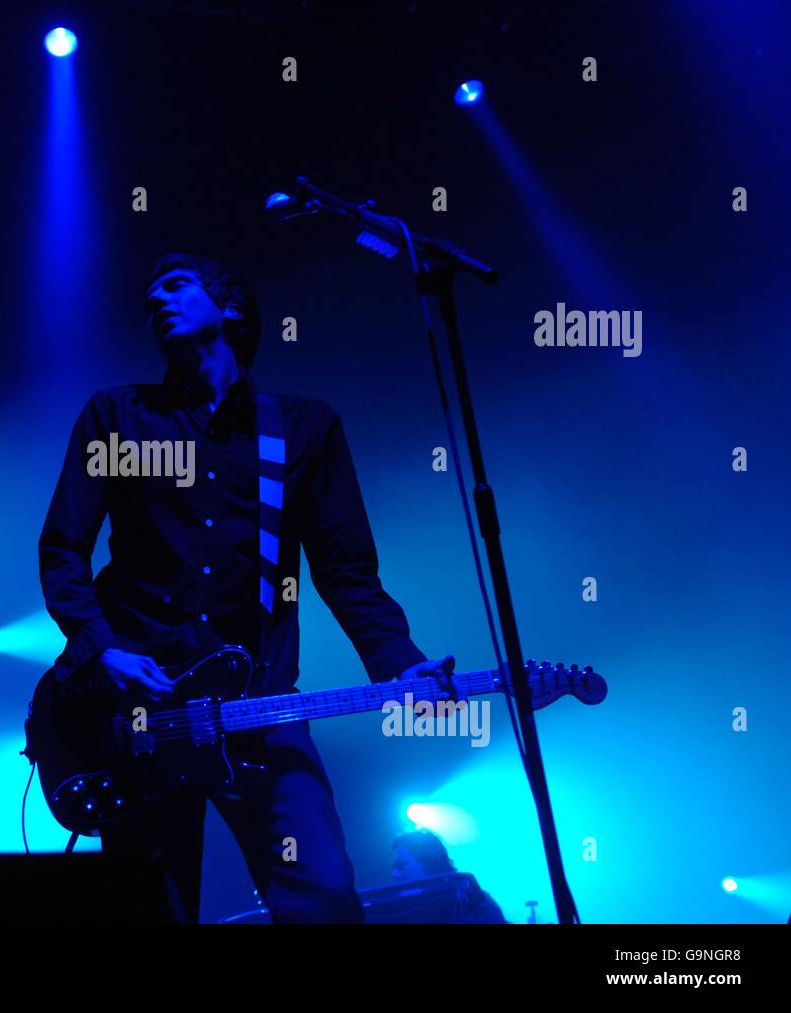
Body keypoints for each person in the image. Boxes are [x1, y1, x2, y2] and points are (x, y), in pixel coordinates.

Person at [38, 252, 453, 923]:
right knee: (151, 909)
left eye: (174, 286)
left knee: (322, 898)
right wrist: (103, 651)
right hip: (141, 719)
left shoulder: (303, 428)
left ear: (229, 306)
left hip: (258, 710)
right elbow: (63, 548)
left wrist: (401, 663)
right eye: (148, 299)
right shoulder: (115, 417)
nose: (156, 301)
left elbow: (346, 572)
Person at [390, 829, 508, 923]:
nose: (394, 874)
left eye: (401, 866)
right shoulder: (401, 910)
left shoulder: (473, 900)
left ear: (429, 862)